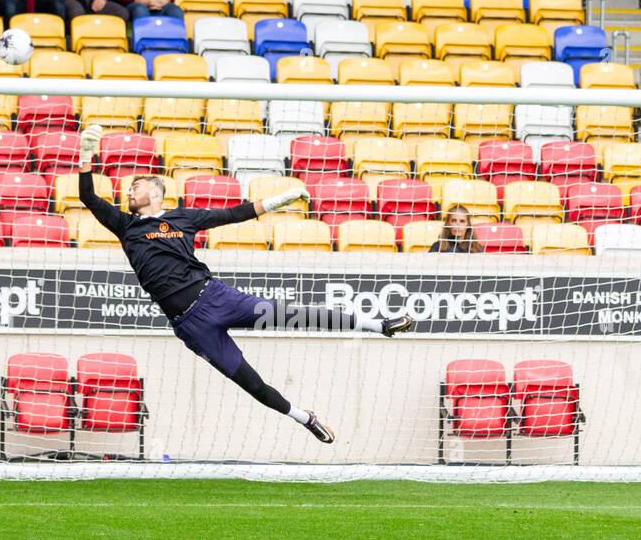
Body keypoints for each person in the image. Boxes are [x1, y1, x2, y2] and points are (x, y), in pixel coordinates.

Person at [76, 126, 413, 443]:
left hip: (217, 298)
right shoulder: (125, 225)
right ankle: (304, 417)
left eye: (136, 186)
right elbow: (89, 197)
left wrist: (276, 202)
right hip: (192, 326)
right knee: (249, 381)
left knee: (295, 315)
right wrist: (86, 156)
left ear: (155, 191)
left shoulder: (183, 218)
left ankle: (379, 325)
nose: (130, 190)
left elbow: (233, 214)